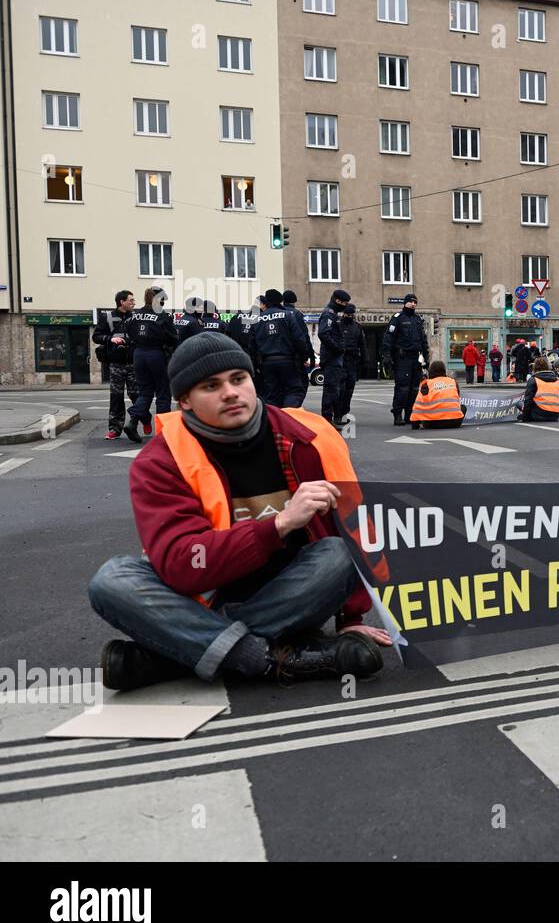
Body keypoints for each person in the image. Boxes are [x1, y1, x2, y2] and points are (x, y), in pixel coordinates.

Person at [86, 332, 390, 691]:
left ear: (252, 380)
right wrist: (278, 524)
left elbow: (352, 525)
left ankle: (175, 653)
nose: (230, 393)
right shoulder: (159, 462)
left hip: (290, 593)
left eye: (238, 379)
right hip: (206, 598)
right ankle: (267, 658)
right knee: (113, 580)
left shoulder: (308, 437)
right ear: (184, 400)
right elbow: (185, 565)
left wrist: (350, 618)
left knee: (339, 555)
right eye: (210, 386)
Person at [123, 286, 178, 443]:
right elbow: (173, 337)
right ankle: (163, 433)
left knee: (145, 392)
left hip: (139, 355)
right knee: (162, 393)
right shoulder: (162, 316)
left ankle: (133, 423)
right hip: (156, 354)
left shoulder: (135, 314)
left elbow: (129, 333)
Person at [250, 289, 311, 409]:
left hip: (267, 363)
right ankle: (287, 419)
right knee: (294, 391)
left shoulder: (257, 320)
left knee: (271, 395)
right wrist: (304, 356)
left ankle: (273, 424)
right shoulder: (288, 315)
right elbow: (299, 338)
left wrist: (255, 364)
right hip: (287, 361)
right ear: (280, 301)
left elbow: (252, 345)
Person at [94, 291, 139, 440]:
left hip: (133, 362)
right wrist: (110, 339)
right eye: (131, 300)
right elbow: (96, 336)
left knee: (136, 395)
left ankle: (137, 422)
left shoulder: (136, 317)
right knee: (116, 397)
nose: (133, 303)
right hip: (116, 364)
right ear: (122, 302)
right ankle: (115, 428)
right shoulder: (107, 317)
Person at [382, 293, 428, 425]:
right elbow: (388, 338)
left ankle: (409, 414)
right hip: (402, 358)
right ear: (405, 303)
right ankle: (397, 414)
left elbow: (423, 341)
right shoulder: (398, 318)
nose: (413, 304)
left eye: (415, 302)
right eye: (411, 302)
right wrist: (387, 355)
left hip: (416, 358)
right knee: (402, 388)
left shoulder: (418, 320)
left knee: (414, 389)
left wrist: (426, 357)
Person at [319, 302, 365, 428]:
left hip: (352, 361)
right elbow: (327, 340)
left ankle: (342, 414)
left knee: (349, 390)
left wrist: (364, 362)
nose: (349, 316)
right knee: (339, 389)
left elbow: (362, 345)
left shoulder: (358, 327)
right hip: (340, 359)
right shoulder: (337, 323)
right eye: (347, 314)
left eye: (351, 314)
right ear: (344, 313)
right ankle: (336, 415)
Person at [409, 361, 465, 429]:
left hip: (432, 423)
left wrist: (414, 424)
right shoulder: (452, 381)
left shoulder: (425, 384)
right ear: (444, 371)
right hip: (454, 422)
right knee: (463, 407)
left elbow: (418, 406)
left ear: (430, 371)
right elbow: (457, 399)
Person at [281, 290, 313, 408]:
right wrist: (308, 356)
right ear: (294, 300)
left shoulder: (279, 313)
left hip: (279, 356)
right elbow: (303, 337)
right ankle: (291, 412)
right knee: (299, 386)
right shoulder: (296, 314)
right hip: (295, 358)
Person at [517, 355, 559, 422]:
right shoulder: (556, 380)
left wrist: (525, 418)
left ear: (535, 367)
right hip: (555, 415)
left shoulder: (534, 380)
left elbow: (528, 401)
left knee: (519, 403)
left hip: (540, 414)